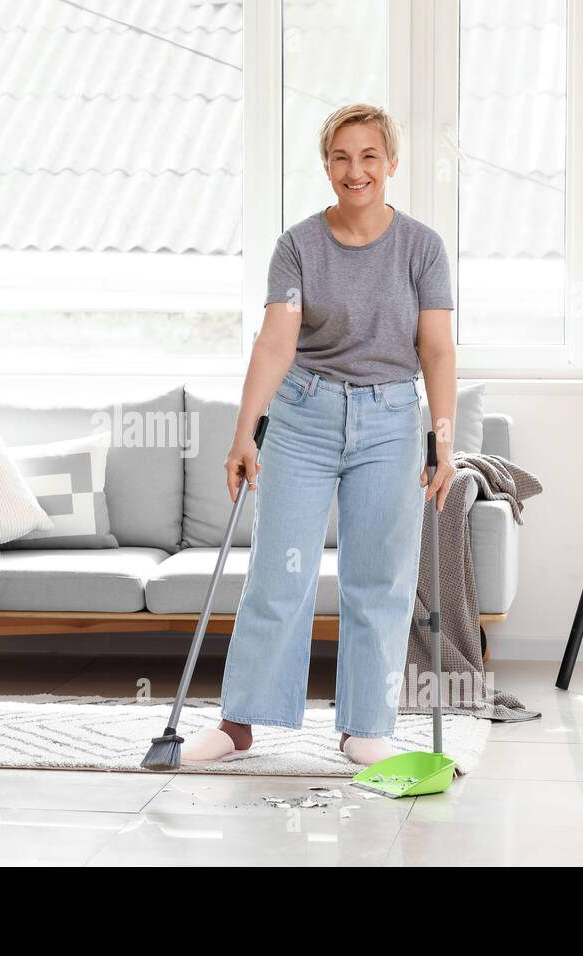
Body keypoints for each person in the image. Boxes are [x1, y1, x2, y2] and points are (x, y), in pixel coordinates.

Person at [180, 103, 457, 766]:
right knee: (279, 573)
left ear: (391, 164)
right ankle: (242, 722)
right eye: (340, 157)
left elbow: (438, 350)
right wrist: (243, 433)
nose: (353, 170)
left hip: (391, 420)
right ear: (326, 165)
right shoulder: (300, 246)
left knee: (379, 579)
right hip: (304, 416)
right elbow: (277, 342)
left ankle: (365, 724)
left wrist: (442, 441)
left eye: (368, 157)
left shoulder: (421, 248)